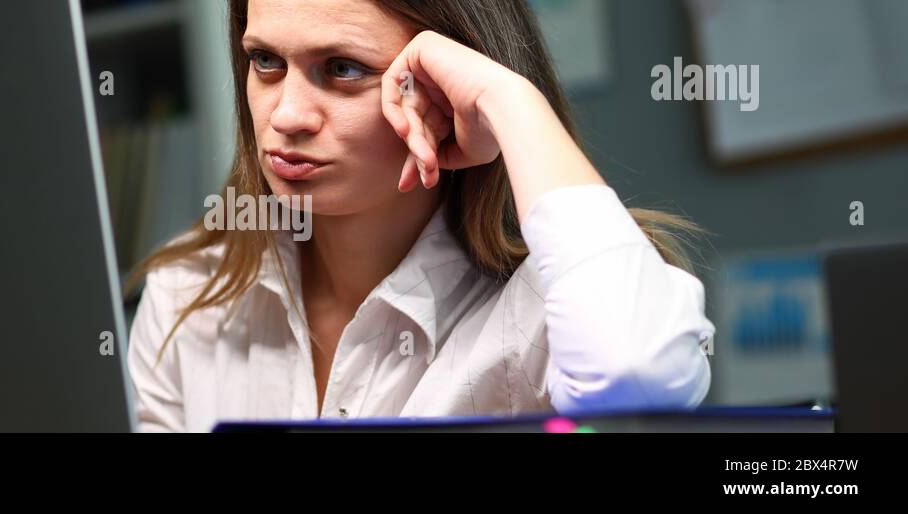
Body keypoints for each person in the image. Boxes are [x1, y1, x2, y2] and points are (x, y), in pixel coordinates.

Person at [126, 0, 713, 432]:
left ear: (445, 81)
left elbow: (638, 380)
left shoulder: (551, 310)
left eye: (342, 68)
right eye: (265, 61)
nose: (287, 116)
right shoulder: (188, 297)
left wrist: (511, 103)